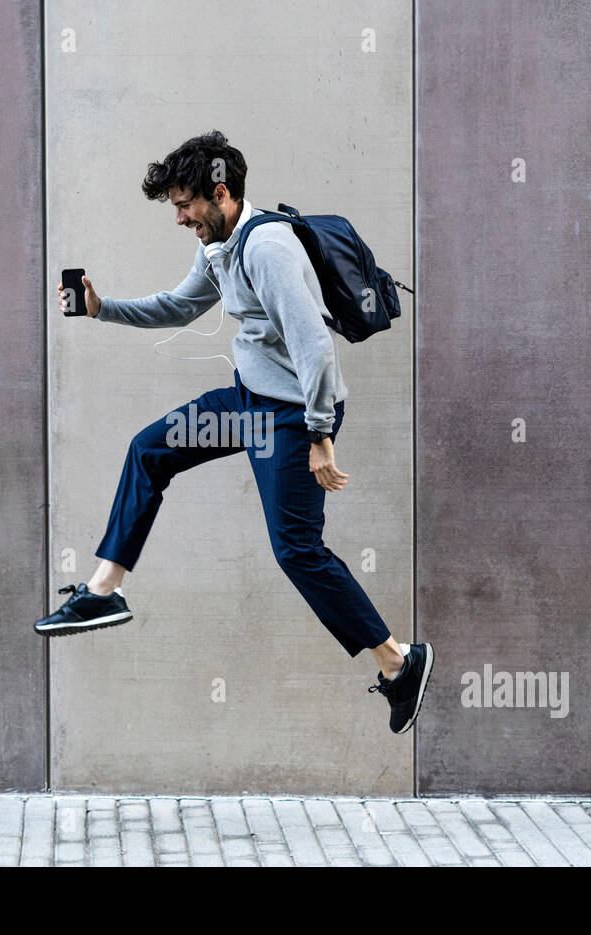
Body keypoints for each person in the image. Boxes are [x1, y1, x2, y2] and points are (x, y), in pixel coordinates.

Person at [36, 130, 431, 734]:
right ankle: (105, 589)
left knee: (296, 551)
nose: (178, 218)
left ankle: (399, 661)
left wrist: (321, 434)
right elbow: (179, 305)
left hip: (292, 417)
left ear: (220, 193)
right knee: (150, 451)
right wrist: (101, 307)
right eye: (173, 206)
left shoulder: (267, 248)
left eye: (185, 204)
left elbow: (314, 347)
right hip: (247, 403)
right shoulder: (219, 246)